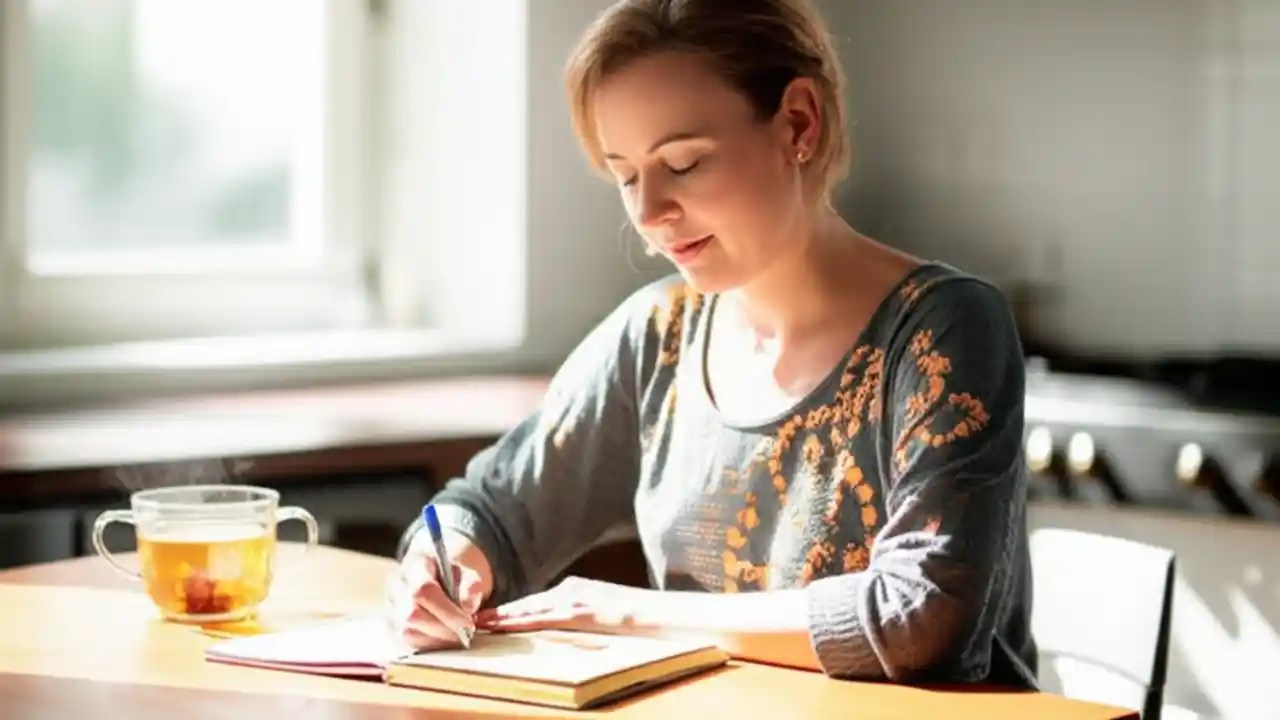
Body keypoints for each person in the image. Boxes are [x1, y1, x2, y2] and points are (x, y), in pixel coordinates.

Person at [385, 0, 1037, 687]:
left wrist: (628, 615)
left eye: (685, 162)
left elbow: (920, 616)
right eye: (626, 175)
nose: (648, 213)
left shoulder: (943, 332)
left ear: (798, 123)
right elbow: (489, 508)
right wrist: (445, 562)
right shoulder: (659, 336)